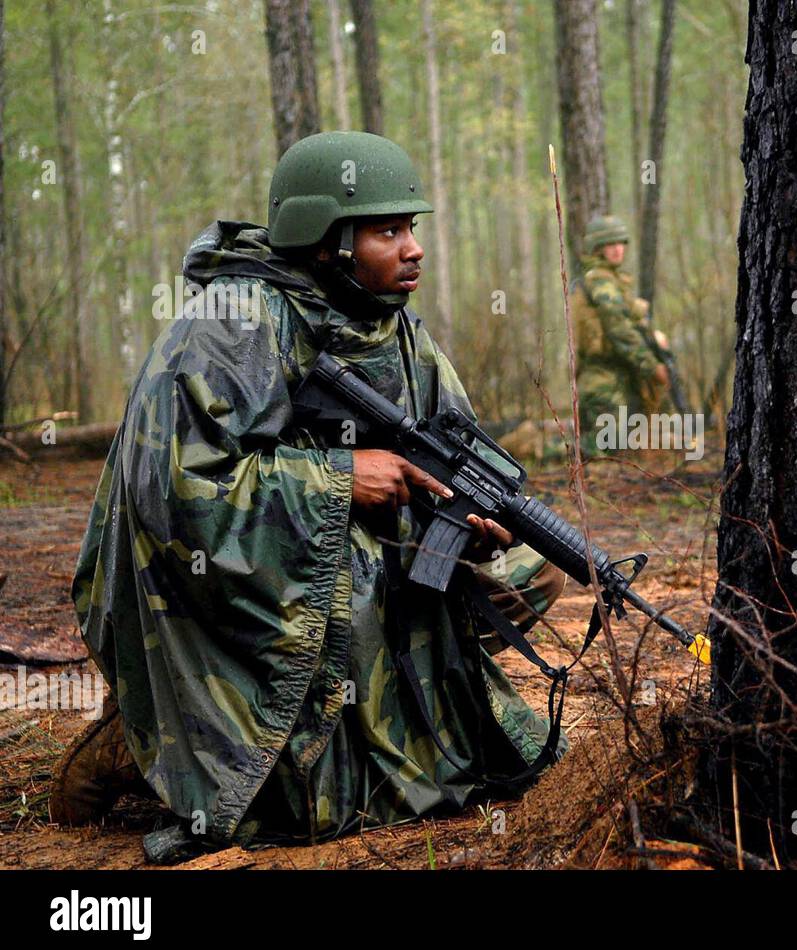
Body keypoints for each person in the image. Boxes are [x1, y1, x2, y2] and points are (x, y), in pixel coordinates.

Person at [54, 131, 568, 861]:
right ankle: (146, 736)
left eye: (413, 227)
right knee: (352, 577)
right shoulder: (231, 322)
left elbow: (445, 458)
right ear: (325, 240)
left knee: (531, 572)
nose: (414, 247)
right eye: (389, 229)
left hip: (352, 565)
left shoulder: (395, 330)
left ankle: (395, 721)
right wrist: (336, 479)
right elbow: (173, 491)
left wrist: (468, 520)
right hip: (222, 582)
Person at [570, 215, 670, 454]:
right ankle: (535, 446)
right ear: (597, 248)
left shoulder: (613, 281)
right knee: (603, 448)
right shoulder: (601, 282)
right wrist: (651, 366)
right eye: (609, 244)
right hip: (603, 381)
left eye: (620, 243)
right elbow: (619, 330)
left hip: (618, 379)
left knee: (632, 442)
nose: (617, 249)